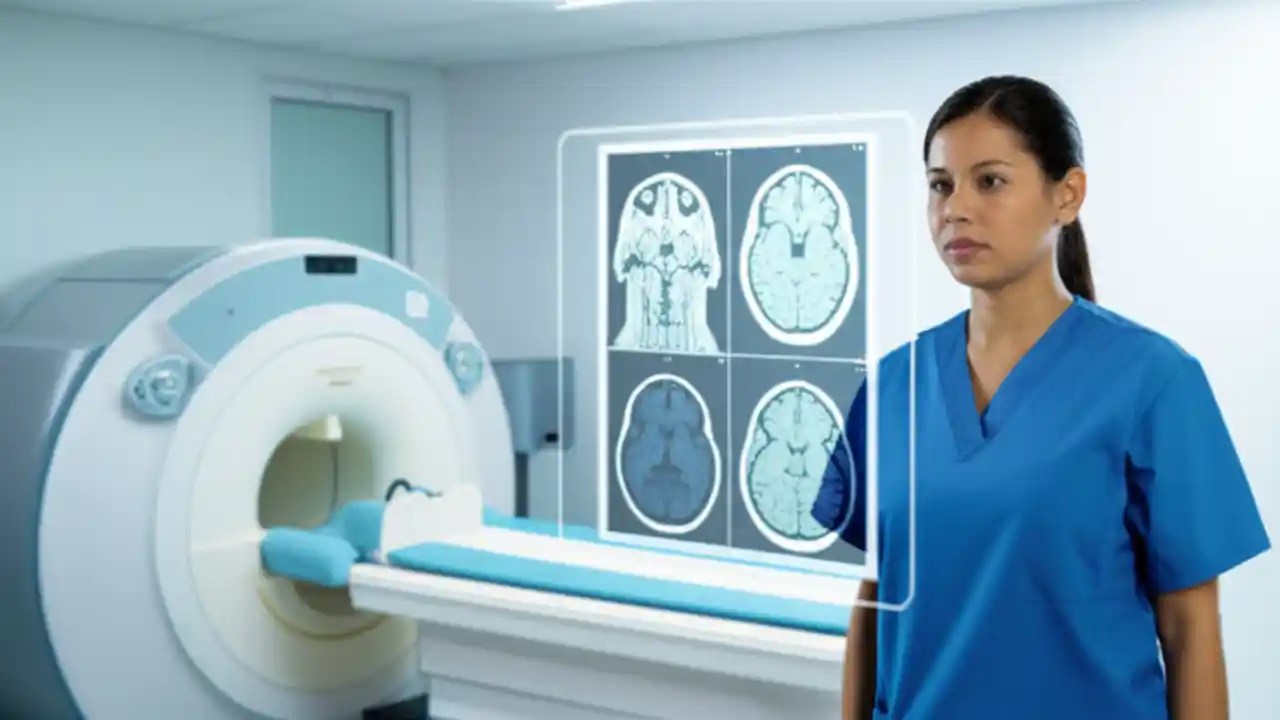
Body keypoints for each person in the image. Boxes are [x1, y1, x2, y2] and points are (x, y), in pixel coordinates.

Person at [810, 75, 1271, 720]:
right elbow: (877, 597)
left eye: (989, 181)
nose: (956, 208)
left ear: (1067, 195)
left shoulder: (1152, 381)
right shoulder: (892, 387)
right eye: (941, 184)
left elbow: (1191, 629)